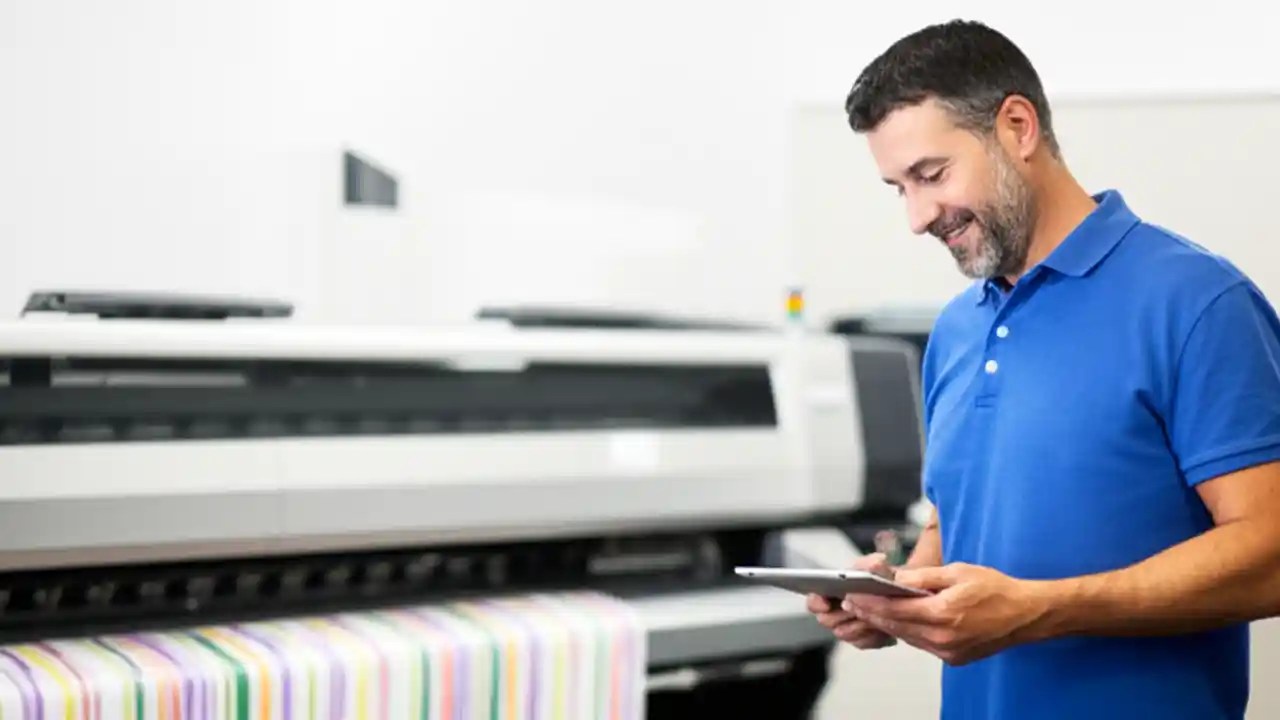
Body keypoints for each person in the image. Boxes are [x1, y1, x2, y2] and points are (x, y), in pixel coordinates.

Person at [806, 18, 1280, 720]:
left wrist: (1040, 610)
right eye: (897, 187)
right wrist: (897, 598)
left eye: (931, 175)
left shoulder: (1199, 303)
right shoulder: (957, 330)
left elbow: (1271, 552)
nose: (916, 215)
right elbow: (957, 527)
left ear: (1018, 127)